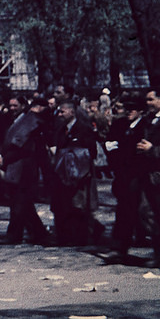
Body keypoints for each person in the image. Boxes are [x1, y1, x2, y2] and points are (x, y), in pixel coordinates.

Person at [0, 96, 51, 245]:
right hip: (18, 166)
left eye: (15, 105)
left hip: (23, 168)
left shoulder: (30, 121)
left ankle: (16, 234)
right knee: (22, 203)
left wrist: (5, 159)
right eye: (10, 105)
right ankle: (38, 233)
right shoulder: (22, 120)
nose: (12, 108)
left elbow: (25, 148)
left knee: (19, 202)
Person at [50, 99, 101, 246]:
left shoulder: (84, 128)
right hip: (63, 173)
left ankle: (83, 236)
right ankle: (68, 236)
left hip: (80, 174)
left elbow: (92, 151)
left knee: (79, 205)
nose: (59, 114)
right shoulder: (61, 128)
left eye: (62, 111)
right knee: (65, 205)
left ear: (72, 112)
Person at [105, 94, 149, 261]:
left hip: (139, 174)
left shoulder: (145, 126)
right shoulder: (119, 124)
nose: (130, 111)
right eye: (127, 108)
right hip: (123, 172)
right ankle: (120, 246)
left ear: (140, 111)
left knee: (143, 211)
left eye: (134, 109)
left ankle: (141, 238)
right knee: (124, 210)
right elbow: (110, 145)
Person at [137, 89, 160, 267]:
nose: (148, 103)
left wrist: (152, 150)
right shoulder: (149, 120)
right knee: (149, 214)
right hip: (149, 175)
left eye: (151, 100)